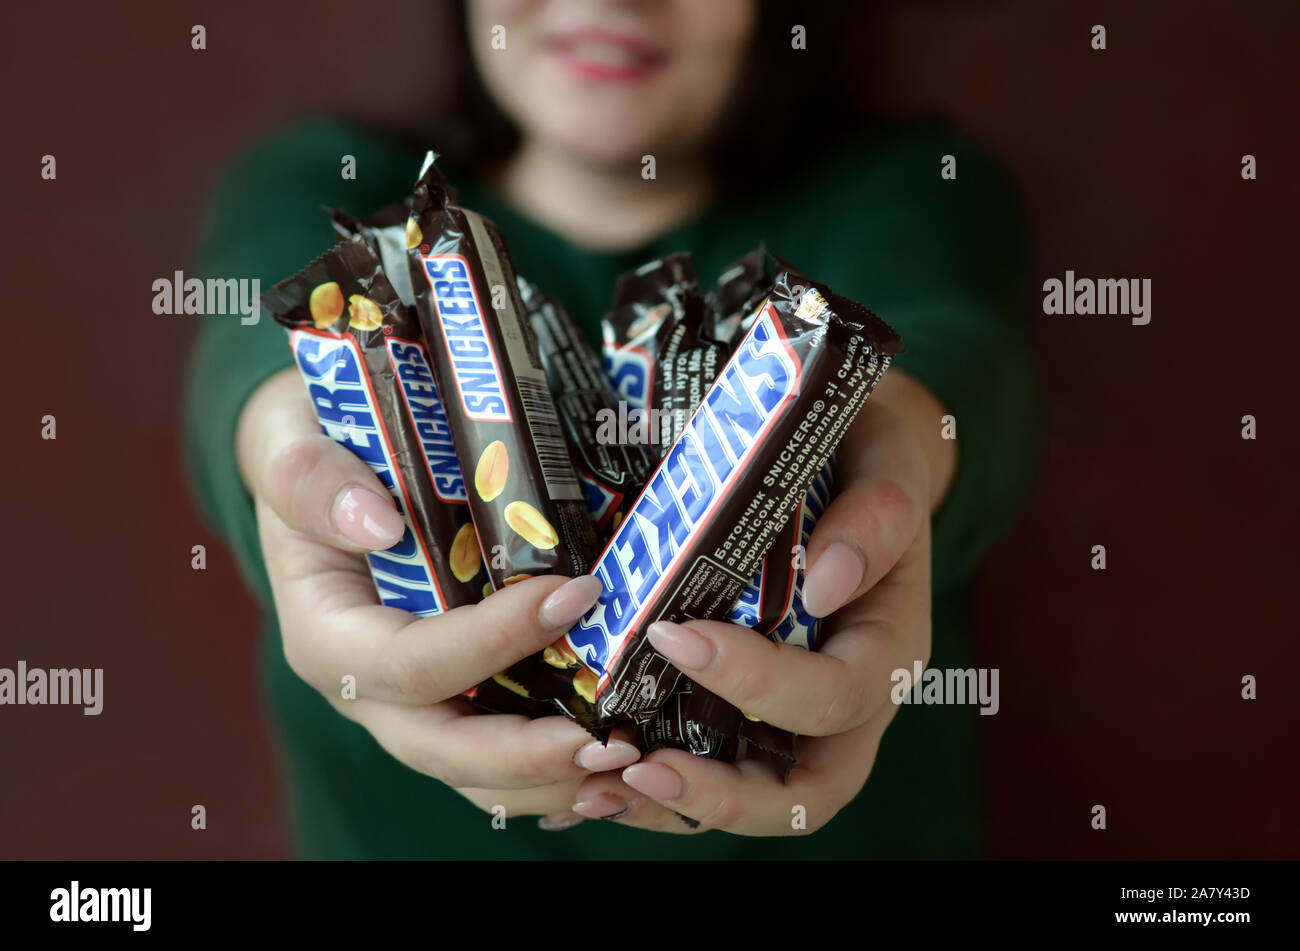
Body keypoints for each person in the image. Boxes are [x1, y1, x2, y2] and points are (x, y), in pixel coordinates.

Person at [183, 0, 1038, 859]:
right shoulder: (326, 185)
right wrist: (284, 450)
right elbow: (249, 362)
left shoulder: (908, 185)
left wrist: (894, 451)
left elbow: (958, 360)